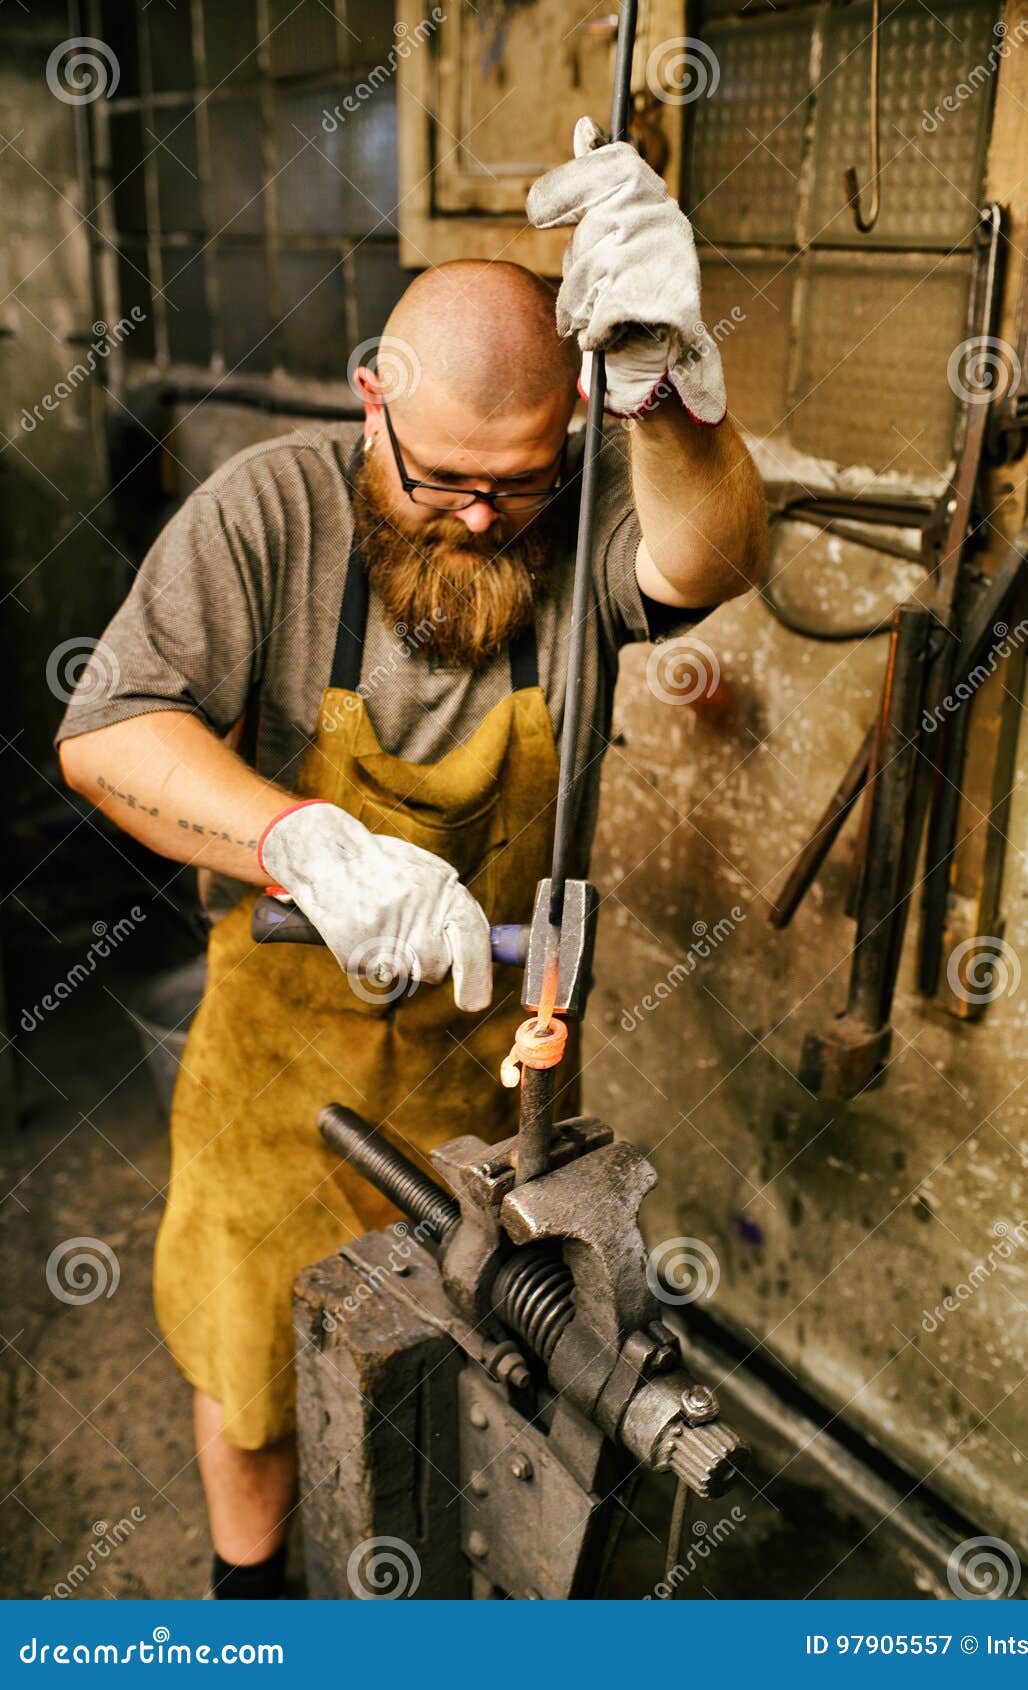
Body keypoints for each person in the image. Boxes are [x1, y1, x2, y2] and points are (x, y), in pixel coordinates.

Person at [57, 125, 766, 1598]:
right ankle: (252, 1609)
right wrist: (298, 839)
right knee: (252, 1373)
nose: (481, 517)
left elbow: (713, 558)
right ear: (372, 401)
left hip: (491, 1091)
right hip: (279, 1080)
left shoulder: (582, 514)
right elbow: (108, 733)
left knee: (472, 1398)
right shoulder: (268, 513)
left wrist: (663, 397)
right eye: (442, 480)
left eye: (517, 483)